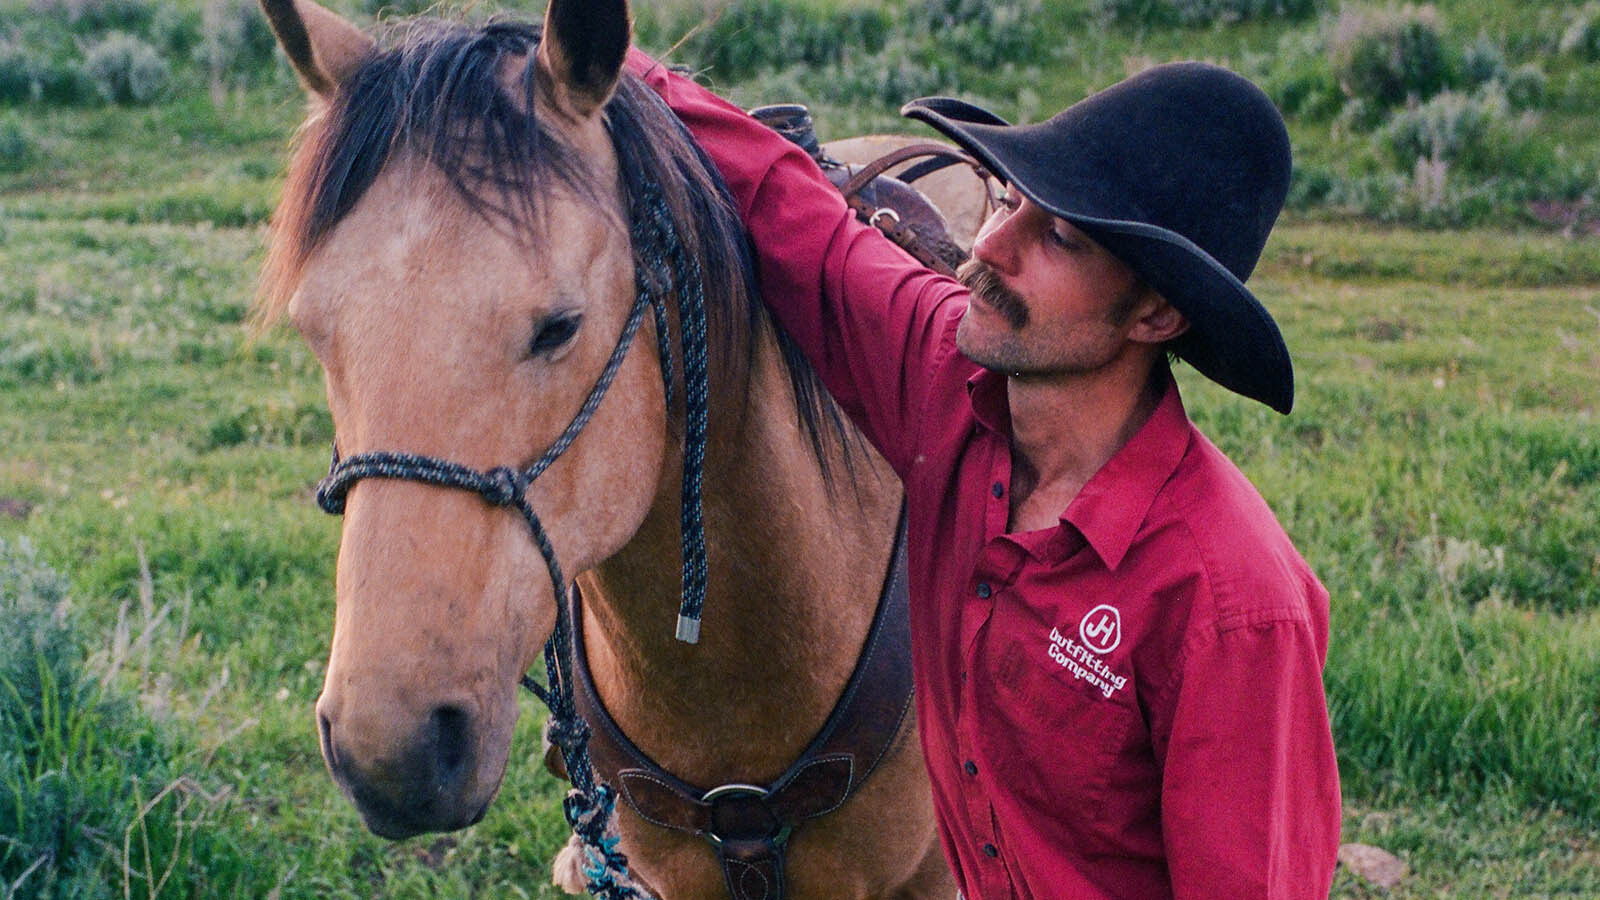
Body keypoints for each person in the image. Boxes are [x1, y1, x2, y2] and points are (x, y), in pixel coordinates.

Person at [626, 50, 1342, 899]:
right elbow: (799, 218)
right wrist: (621, 65)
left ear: (1156, 312)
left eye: (1061, 236)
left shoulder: (1233, 607)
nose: (990, 247)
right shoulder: (948, 389)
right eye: (1007, 201)